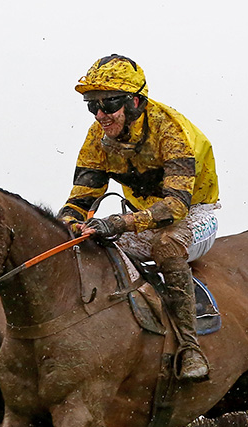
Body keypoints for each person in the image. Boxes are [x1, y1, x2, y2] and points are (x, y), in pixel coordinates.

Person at [57, 55, 220, 381]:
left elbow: (175, 207)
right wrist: (66, 225)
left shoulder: (170, 130)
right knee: (89, 244)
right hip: (141, 216)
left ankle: (190, 348)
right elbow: (80, 199)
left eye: (108, 104)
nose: (100, 115)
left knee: (166, 245)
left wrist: (118, 223)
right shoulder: (96, 138)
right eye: (92, 106)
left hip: (194, 213)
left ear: (134, 102)